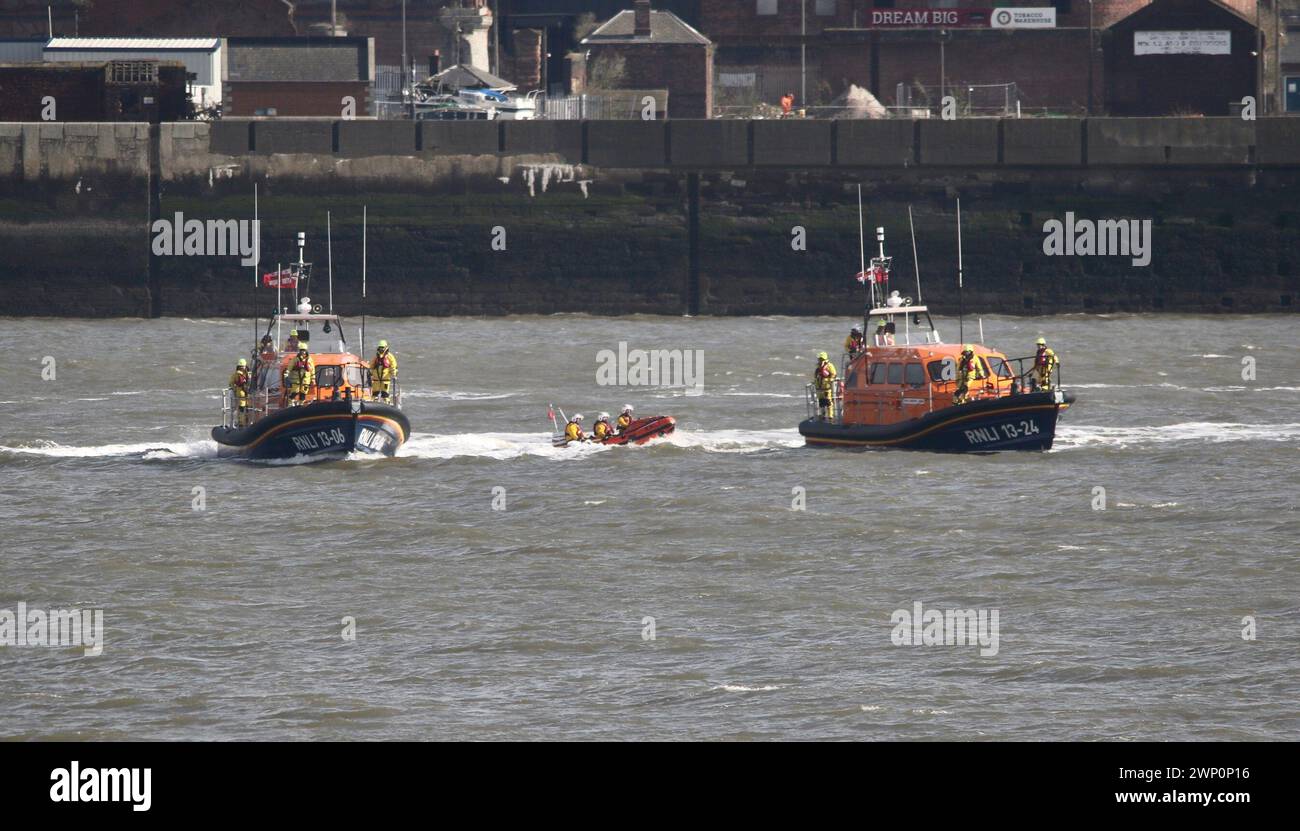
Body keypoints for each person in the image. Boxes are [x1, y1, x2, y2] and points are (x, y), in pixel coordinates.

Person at [813, 351, 838, 420]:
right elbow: (815, 375)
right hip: (819, 388)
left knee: (828, 403)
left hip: (826, 388)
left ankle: (830, 416)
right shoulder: (818, 366)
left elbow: (834, 375)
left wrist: (827, 380)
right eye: (819, 359)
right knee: (821, 402)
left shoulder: (829, 366)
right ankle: (822, 415)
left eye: (821, 359)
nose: (820, 360)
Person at [229, 358, 251, 427]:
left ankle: (242, 422)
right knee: (244, 408)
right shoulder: (246, 374)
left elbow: (231, 383)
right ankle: (244, 422)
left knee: (242, 409)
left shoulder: (236, 374)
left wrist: (234, 388)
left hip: (241, 393)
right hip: (245, 393)